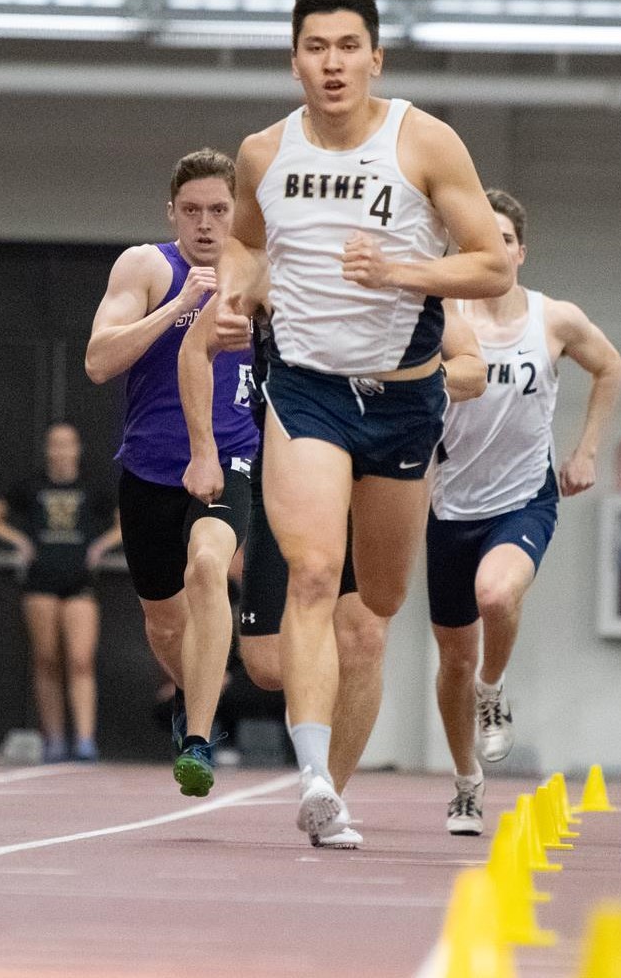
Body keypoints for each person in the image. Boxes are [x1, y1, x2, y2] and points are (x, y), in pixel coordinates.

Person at [217, 0, 512, 843]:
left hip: (405, 398)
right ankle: (314, 779)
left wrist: (402, 272)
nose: (333, 63)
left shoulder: (424, 144)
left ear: (375, 57)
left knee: (375, 600)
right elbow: (241, 236)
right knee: (312, 575)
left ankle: (330, 772)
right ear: (295, 59)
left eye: (349, 47)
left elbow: (491, 265)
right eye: (317, 47)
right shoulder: (264, 153)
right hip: (306, 390)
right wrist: (237, 291)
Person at [182, 262, 484, 846]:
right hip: (299, 462)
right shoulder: (280, 265)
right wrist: (204, 447)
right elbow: (197, 349)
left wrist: (413, 381)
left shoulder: (403, 273)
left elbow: (474, 365)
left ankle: (326, 790)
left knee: (370, 630)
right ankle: (315, 709)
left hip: (382, 459)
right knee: (268, 666)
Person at [427, 189, 621, 836]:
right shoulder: (441, 316)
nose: (497, 249)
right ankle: (465, 784)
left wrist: (587, 451)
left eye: (506, 238)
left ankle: (494, 687)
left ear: (520, 250)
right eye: (483, 238)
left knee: (497, 594)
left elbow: (610, 367)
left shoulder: (554, 319)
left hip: (523, 500)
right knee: (449, 660)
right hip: (451, 506)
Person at [85, 148, 261, 795]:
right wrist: (179, 305)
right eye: (192, 211)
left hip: (228, 457)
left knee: (209, 567)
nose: (206, 224)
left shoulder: (258, 273)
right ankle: (197, 691)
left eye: (219, 210)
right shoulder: (147, 267)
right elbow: (99, 360)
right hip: (151, 469)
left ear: (236, 212)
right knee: (164, 620)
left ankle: (198, 738)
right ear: (172, 213)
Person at [0, 422, 120, 763]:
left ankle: (86, 739)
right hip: (40, 580)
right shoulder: (31, 486)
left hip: (79, 580)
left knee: (80, 660)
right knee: (46, 660)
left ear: (77, 448)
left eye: (67, 444)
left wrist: (101, 546)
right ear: (47, 449)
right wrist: (20, 540)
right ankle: (54, 739)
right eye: (55, 444)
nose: (61, 450)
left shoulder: (93, 486)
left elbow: (124, 523)